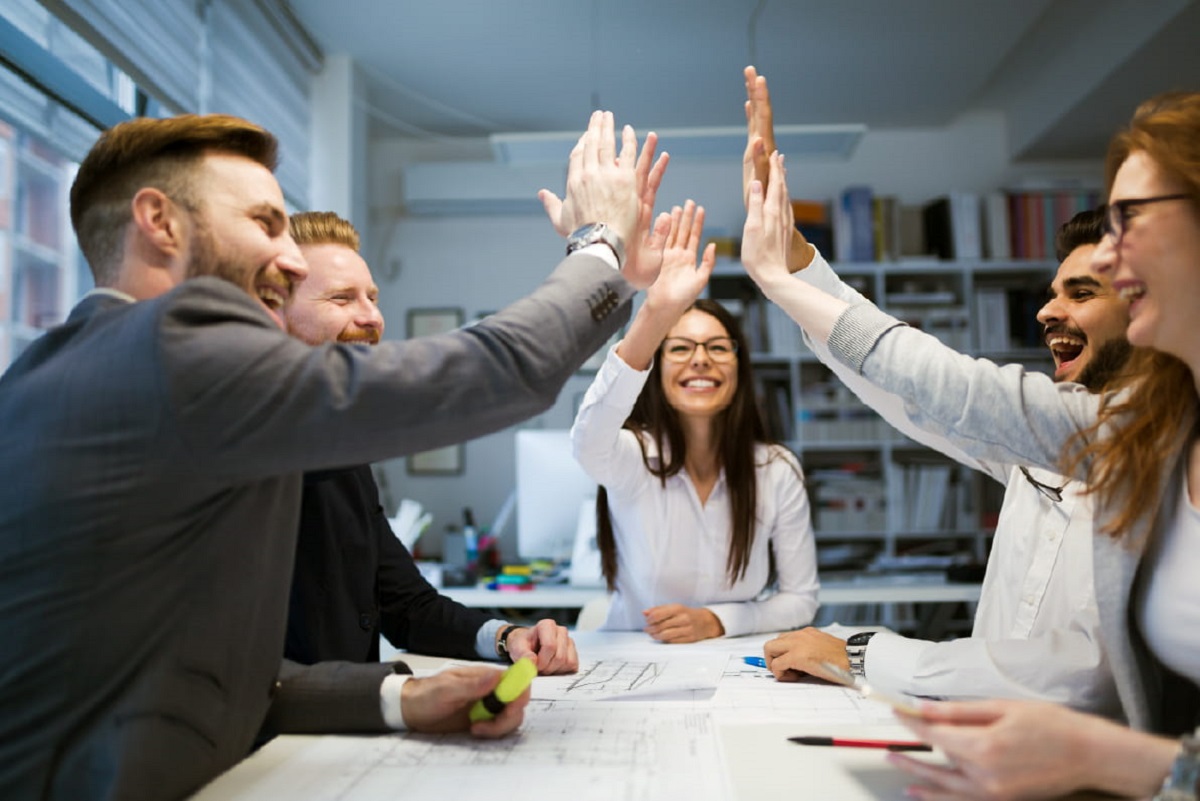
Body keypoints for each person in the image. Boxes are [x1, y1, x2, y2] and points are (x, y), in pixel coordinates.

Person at [0, 109, 673, 800]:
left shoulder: (53, 374)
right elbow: (491, 371)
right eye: (265, 223)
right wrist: (600, 247)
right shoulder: (170, 344)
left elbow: (192, 674)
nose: (290, 258)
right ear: (160, 221)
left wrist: (403, 697)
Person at [739, 91, 1200, 801]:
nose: (1048, 309)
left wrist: (866, 653)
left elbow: (1087, 675)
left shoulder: (1139, 434)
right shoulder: (1131, 429)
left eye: (1127, 222)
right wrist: (797, 270)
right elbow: (921, 393)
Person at [282, 210, 577, 673]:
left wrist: (506, 638)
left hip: (339, 734)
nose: (372, 316)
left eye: (373, 297)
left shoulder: (346, 452)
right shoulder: (248, 447)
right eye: (342, 298)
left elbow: (406, 606)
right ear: (272, 312)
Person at [569, 200, 820, 642]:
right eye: (681, 348)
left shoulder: (776, 470)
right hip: (632, 662)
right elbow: (588, 440)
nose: (700, 361)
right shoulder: (631, 456)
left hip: (734, 668)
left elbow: (801, 598)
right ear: (658, 367)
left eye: (718, 348)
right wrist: (655, 314)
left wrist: (719, 621)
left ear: (739, 368)